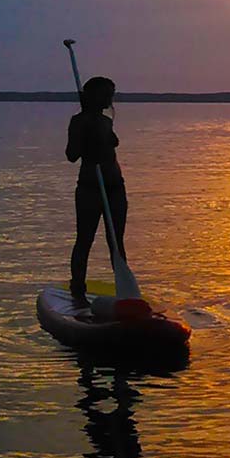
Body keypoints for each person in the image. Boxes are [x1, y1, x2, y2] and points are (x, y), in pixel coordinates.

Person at [65, 76, 125, 304]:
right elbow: (71, 155)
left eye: (112, 93)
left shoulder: (106, 120)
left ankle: (124, 289)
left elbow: (111, 144)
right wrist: (85, 139)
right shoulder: (79, 121)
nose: (111, 98)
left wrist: (107, 137)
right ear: (94, 95)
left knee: (116, 242)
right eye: (107, 93)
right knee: (85, 239)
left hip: (115, 187)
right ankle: (78, 288)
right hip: (90, 188)